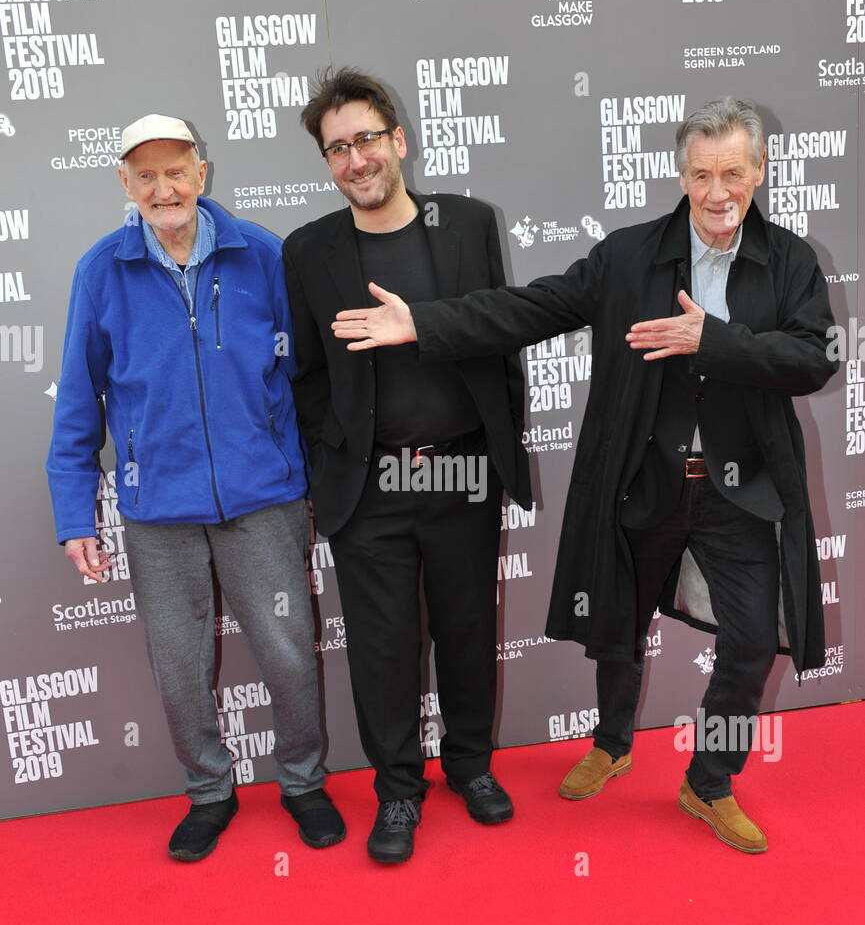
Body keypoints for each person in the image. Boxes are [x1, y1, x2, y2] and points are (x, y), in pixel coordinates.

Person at [332, 96, 838, 855]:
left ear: (759, 170)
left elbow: (813, 359)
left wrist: (715, 340)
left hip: (739, 490)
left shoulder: (791, 261)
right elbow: (534, 307)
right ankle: (611, 740)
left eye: (733, 172)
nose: (716, 191)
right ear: (680, 175)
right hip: (642, 481)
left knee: (748, 640)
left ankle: (709, 779)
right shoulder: (629, 255)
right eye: (700, 174)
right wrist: (424, 324)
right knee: (615, 625)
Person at [47, 113, 345, 861]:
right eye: (144, 175)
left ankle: (304, 782)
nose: (163, 187)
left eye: (175, 169)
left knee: (285, 649)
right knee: (178, 662)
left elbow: (310, 379)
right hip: (158, 510)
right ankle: (208, 790)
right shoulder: (100, 271)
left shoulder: (264, 256)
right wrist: (72, 511)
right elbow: (81, 401)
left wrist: (314, 478)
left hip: (264, 499)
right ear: (125, 184)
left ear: (201, 173)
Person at [283, 68, 531, 864]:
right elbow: (309, 375)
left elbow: (499, 334)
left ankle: (468, 767)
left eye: (364, 140)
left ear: (397, 140)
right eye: (335, 150)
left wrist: (491, 441)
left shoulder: (465, 224)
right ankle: (397, 791)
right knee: (384, 648)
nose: (353, 160)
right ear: (327, 163)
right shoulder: (309, 250)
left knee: (466, 631)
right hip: (370, 485)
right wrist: (338, 456)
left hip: (461, 473)